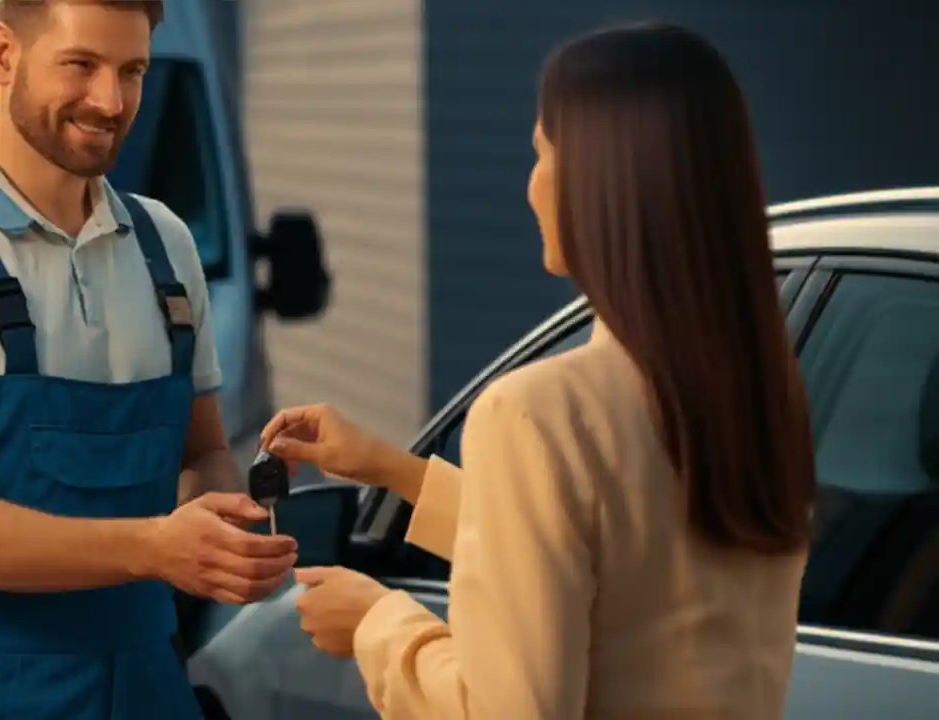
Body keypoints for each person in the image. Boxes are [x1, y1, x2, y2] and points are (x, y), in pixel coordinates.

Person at [262, 22, 816, 720]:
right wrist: (392, 470)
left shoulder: (537, 410)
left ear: (600, 179)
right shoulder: (762, 400)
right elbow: (620, 569)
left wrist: (377, 623)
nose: (530, 189)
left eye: (540, 154)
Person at [0, 1, 297, 718]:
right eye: (81, 65)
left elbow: (200, 452)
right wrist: (153, 548)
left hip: (152, 684)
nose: (110, 102)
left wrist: (222, 528)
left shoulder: (165, 245)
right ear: (4, 54)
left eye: (132, 71)